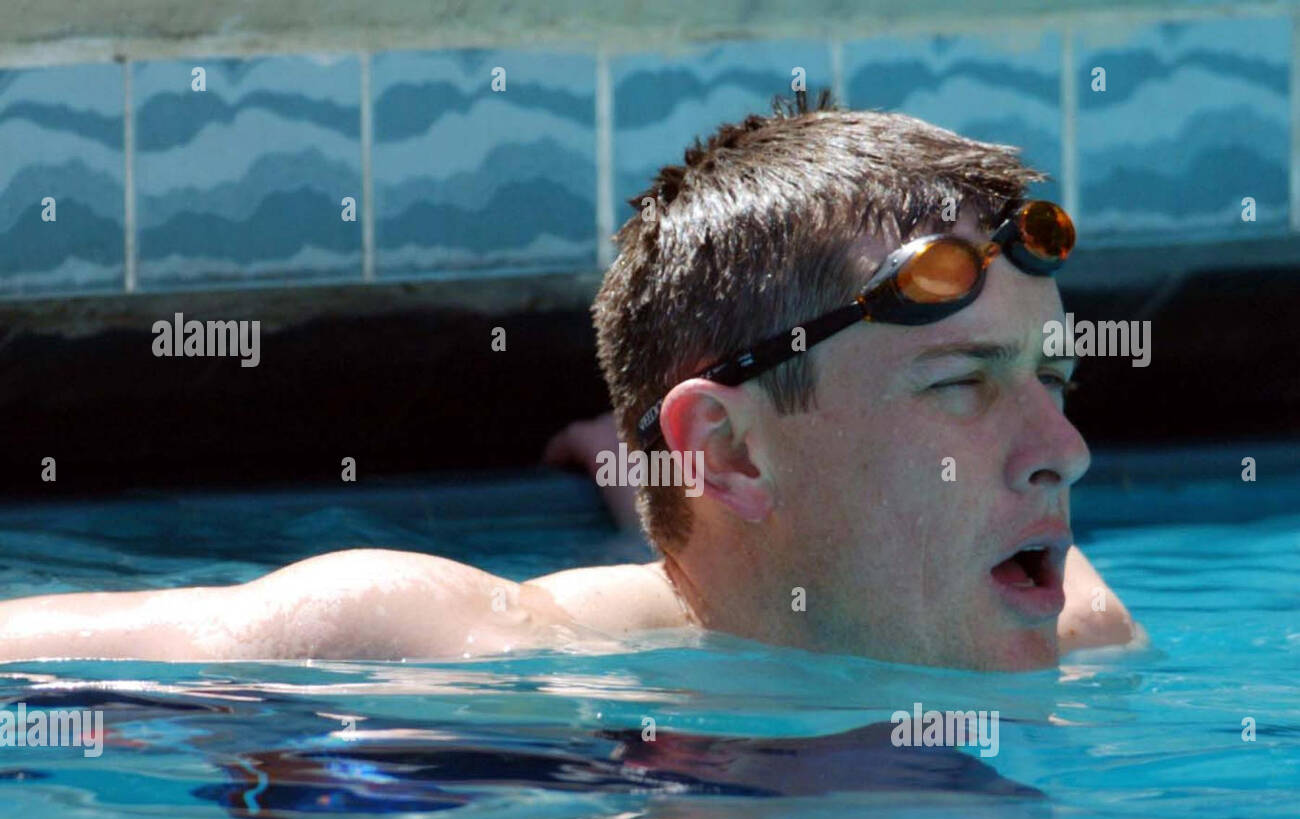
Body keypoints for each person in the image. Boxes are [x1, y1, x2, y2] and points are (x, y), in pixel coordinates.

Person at [0, 96, 1140, 671]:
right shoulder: (411, 645)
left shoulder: (1074, 633)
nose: (1065, 447)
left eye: (1055, 375)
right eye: (960, 384)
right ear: (733, 454)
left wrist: (641, 471)